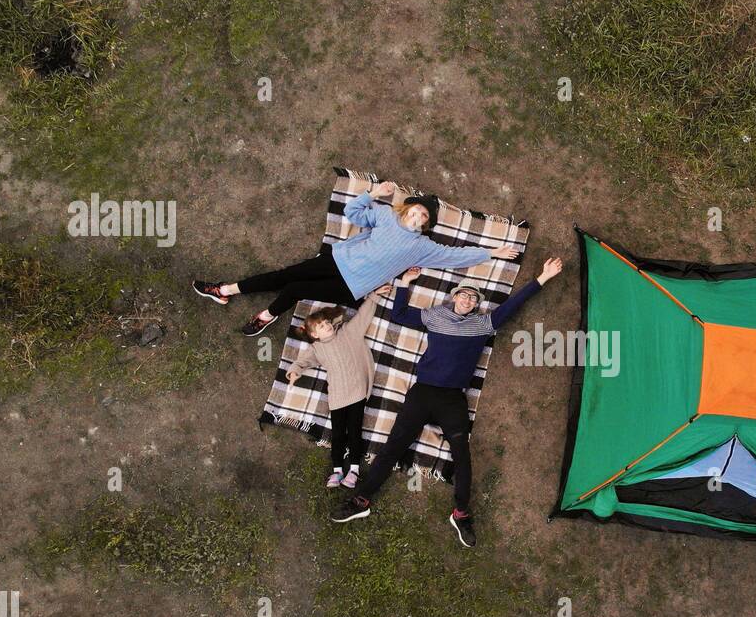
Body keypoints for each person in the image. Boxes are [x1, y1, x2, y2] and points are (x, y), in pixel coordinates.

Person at [331, 257, 565, 547]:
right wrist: (405, 283)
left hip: (452, 399)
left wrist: (542, 278)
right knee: (394, 446)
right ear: (454, 297)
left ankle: (461, 512)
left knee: (462, 455)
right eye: (463, 294)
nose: (467, 299)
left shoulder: (483, 324)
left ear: (476, 304)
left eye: (473, 298)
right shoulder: (434, 316)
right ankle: (361, 499)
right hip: (422, 392)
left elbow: (512, 306)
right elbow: (400, 315)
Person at [191, 181, 521, 336]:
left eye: (425, 218)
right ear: (408, 209)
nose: (420, 218)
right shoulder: (387, 216)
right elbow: (352, 212)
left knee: (294, 289)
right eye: (418, 211)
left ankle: (265, 316)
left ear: (427, 224)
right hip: (336, 259)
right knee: (282, 276)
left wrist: (492, 251)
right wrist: (373, 194)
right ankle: (226, 290)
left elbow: (454, 256)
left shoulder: (423, 246)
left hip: (353, 286)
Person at [286, 284, 391, 489]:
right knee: (337, 434)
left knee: (354, 431)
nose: (327, 326)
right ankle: (336, 471)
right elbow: (302, 362)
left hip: (357, 392)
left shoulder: (348, 333)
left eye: (327, 322)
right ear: (315, 335)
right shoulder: (316, 349)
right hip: (336, 396)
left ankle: (353, 470)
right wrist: (294, 371)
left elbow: (363, 317)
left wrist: (373, 297)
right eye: (322, 326)